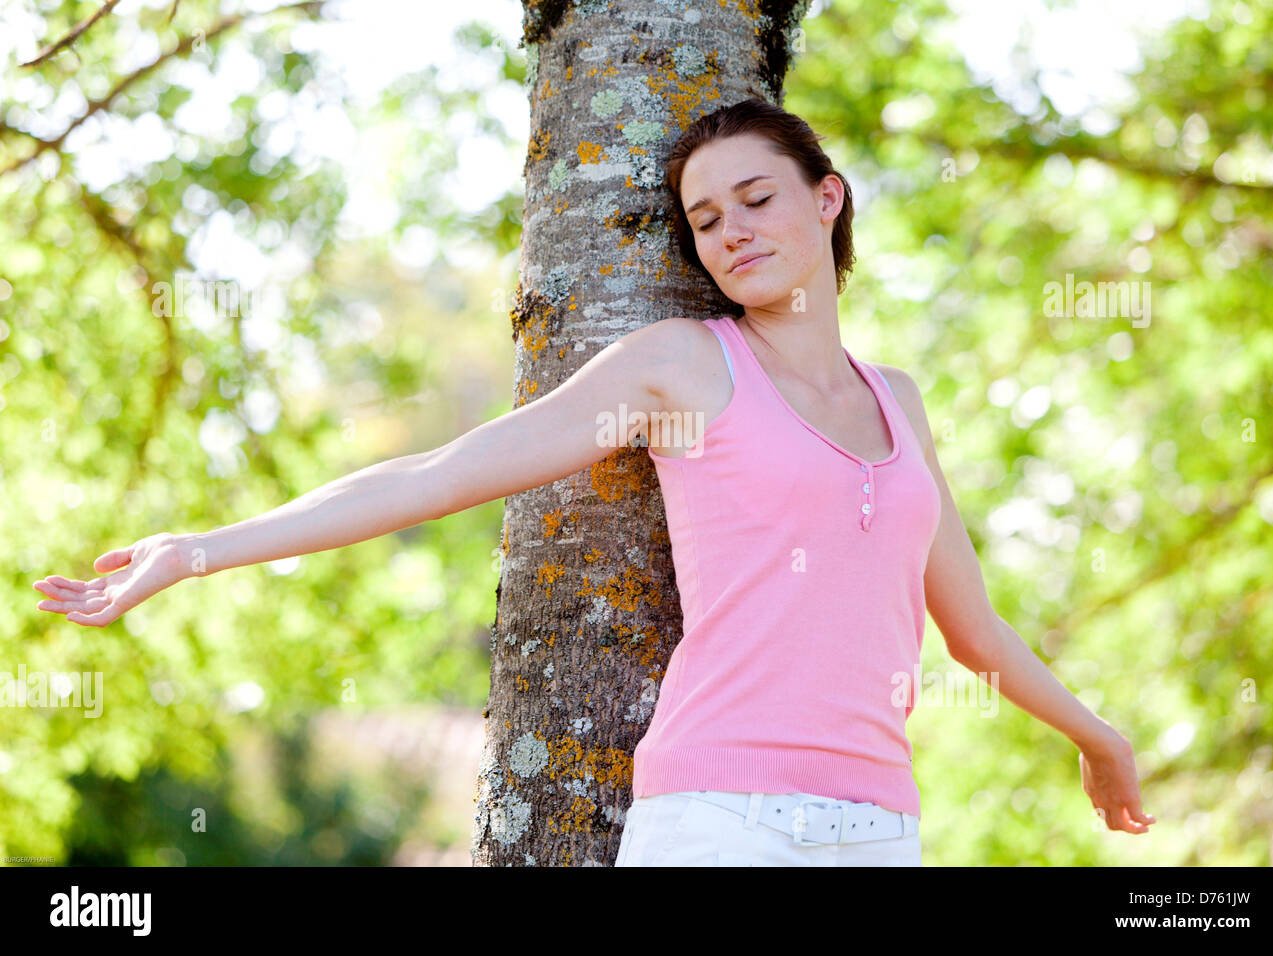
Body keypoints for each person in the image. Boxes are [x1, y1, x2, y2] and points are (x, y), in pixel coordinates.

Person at [33, 98, 1155, 866]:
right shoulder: (681, 366)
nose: (729, 233)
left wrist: (1094, 732)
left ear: (828, 198)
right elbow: (443, 469)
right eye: (704, 220)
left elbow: (975, 635)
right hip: (718, 818)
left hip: (877, 825)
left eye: (756, 199)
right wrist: (197, 549)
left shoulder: (898, 402)